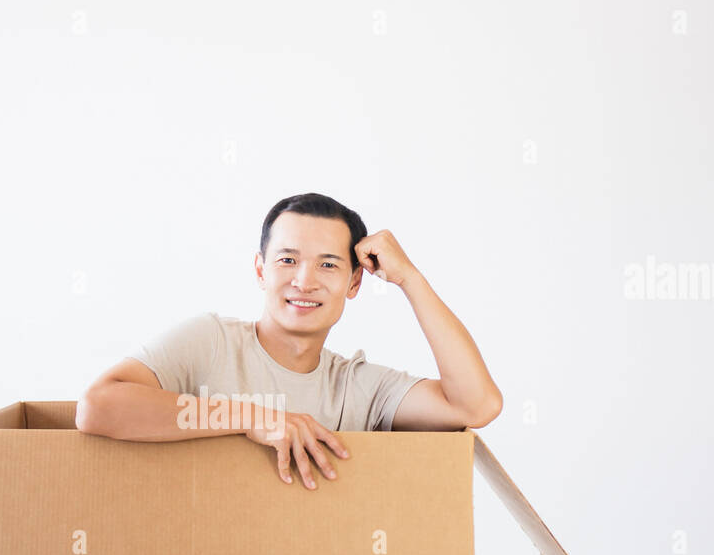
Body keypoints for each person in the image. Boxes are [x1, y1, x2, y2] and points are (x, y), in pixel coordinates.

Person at [76, 192, 503, 489]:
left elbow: (475, 405)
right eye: (287, 260)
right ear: (261, 270)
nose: (304, 281)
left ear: (355, 282)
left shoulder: (358, 388)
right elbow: (98, 407)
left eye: (328, 265)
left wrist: (410, 278)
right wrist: (253, 419)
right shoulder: (211, 342)